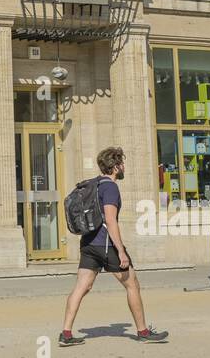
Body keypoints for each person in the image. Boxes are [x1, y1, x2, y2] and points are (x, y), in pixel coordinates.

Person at [59, 146, 168, 347]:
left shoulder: (93, 184)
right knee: (132, 284)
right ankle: (143, 331)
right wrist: (121, 251)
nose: (124, 166)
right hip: (106, 245)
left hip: (88, 243)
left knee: (82, 287)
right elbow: (111, 220)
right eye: (122, 163)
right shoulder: (110, 187)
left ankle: (66, 332)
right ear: (116, 166)